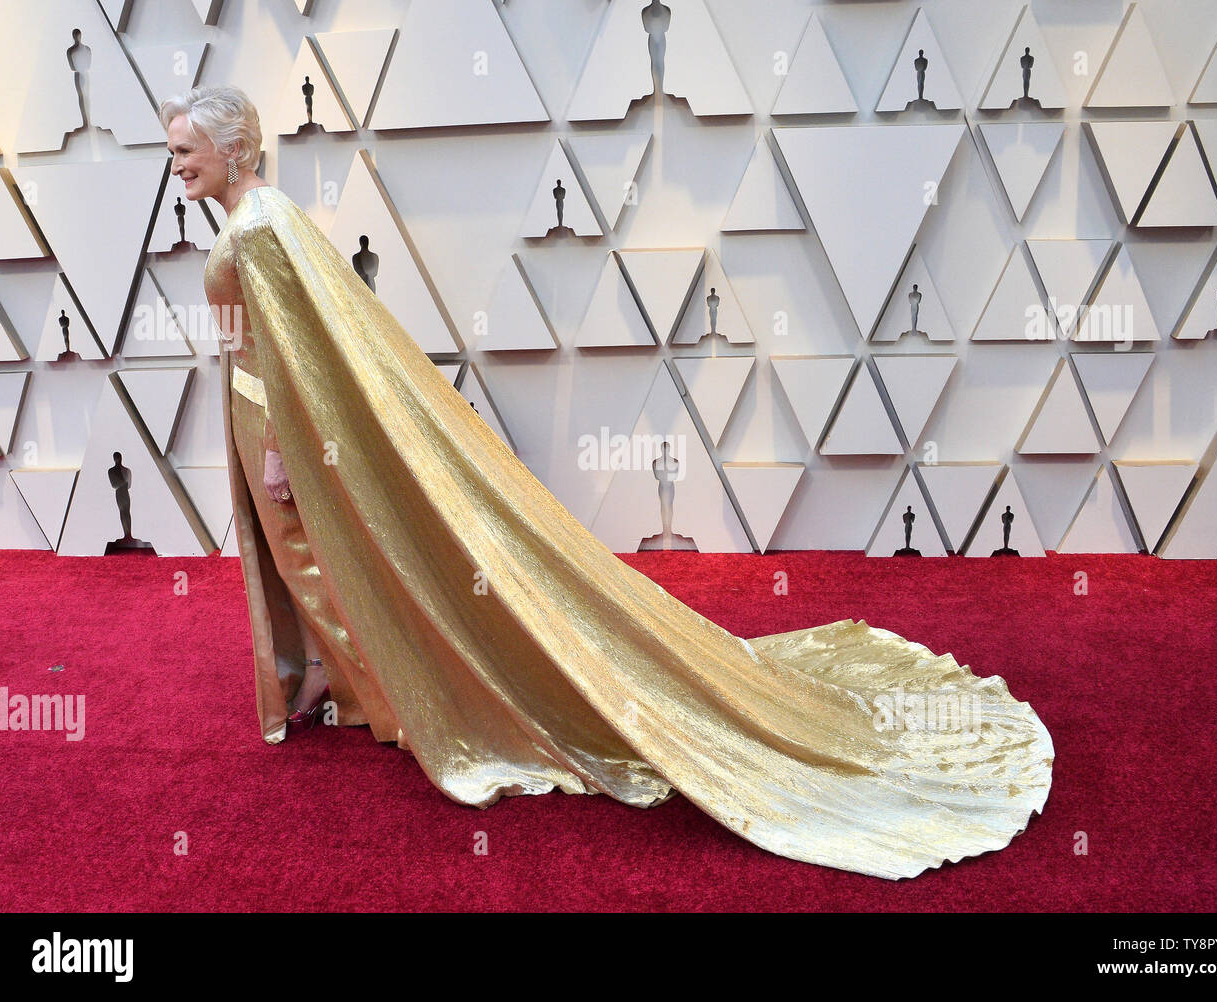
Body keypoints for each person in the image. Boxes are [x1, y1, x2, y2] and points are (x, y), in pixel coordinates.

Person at [167, 85, 1053, 879]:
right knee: (301, 557)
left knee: (310, 552)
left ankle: (366, 679)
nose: (177, 168)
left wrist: (283, 443)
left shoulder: (263, 227)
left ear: (232, 151)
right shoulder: (256, 222)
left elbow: (299, 350)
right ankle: (338, 677)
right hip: (256, 413)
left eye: (186, 152)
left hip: (276, 423)